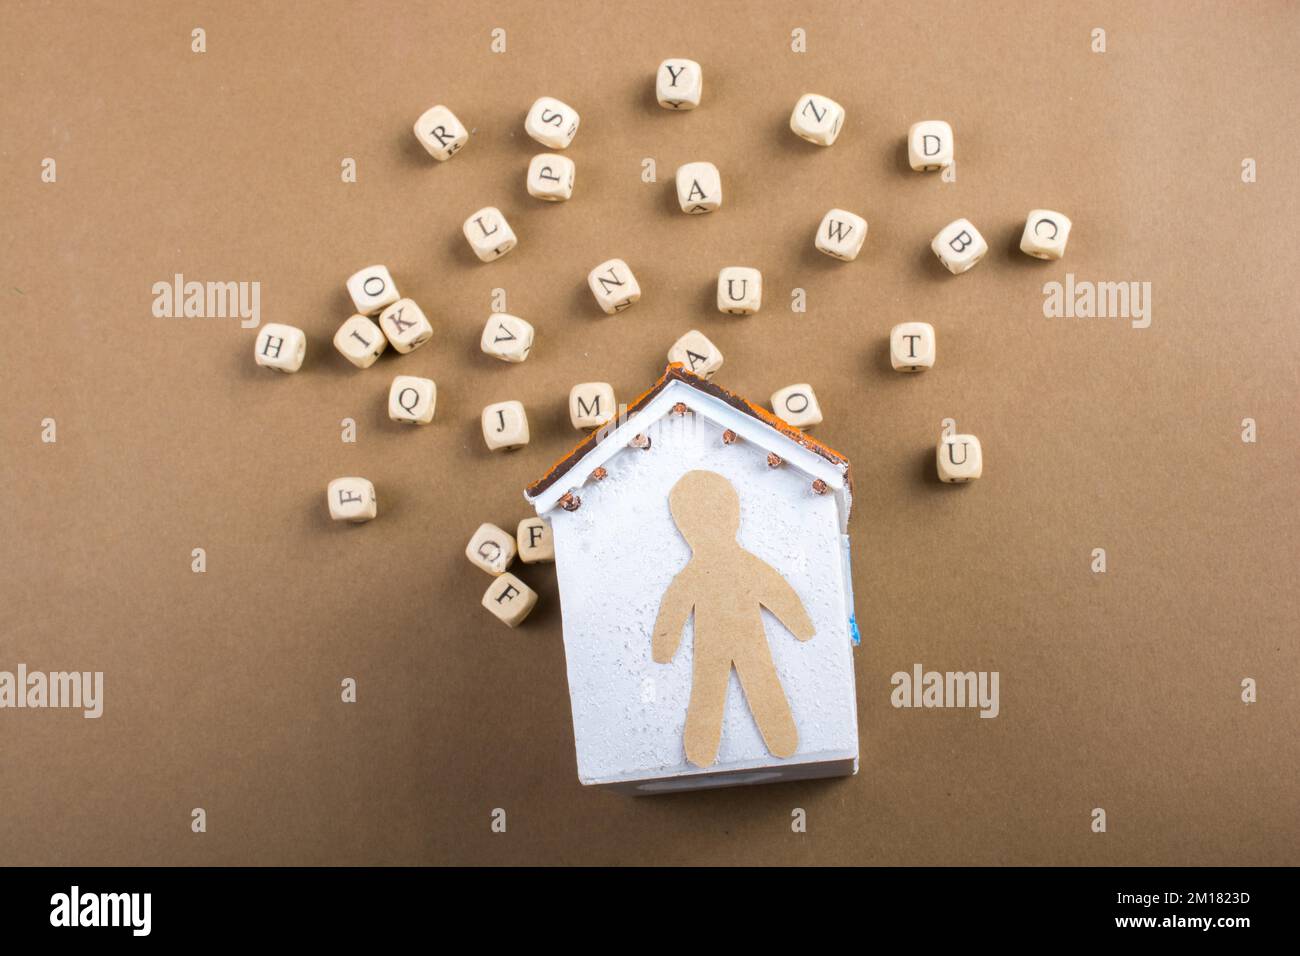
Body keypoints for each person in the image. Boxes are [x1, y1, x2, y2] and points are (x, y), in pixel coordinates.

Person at [653, 470, 816, 767]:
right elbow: (674, 610)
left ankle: (777, 741)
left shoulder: (704, 573)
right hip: (721, 645)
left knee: (734, 688)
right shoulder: (734, 567)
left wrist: (664, 650)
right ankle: (707, 751)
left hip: (736, 642)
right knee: (726, 689)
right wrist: (801, 628)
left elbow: (673, 609)